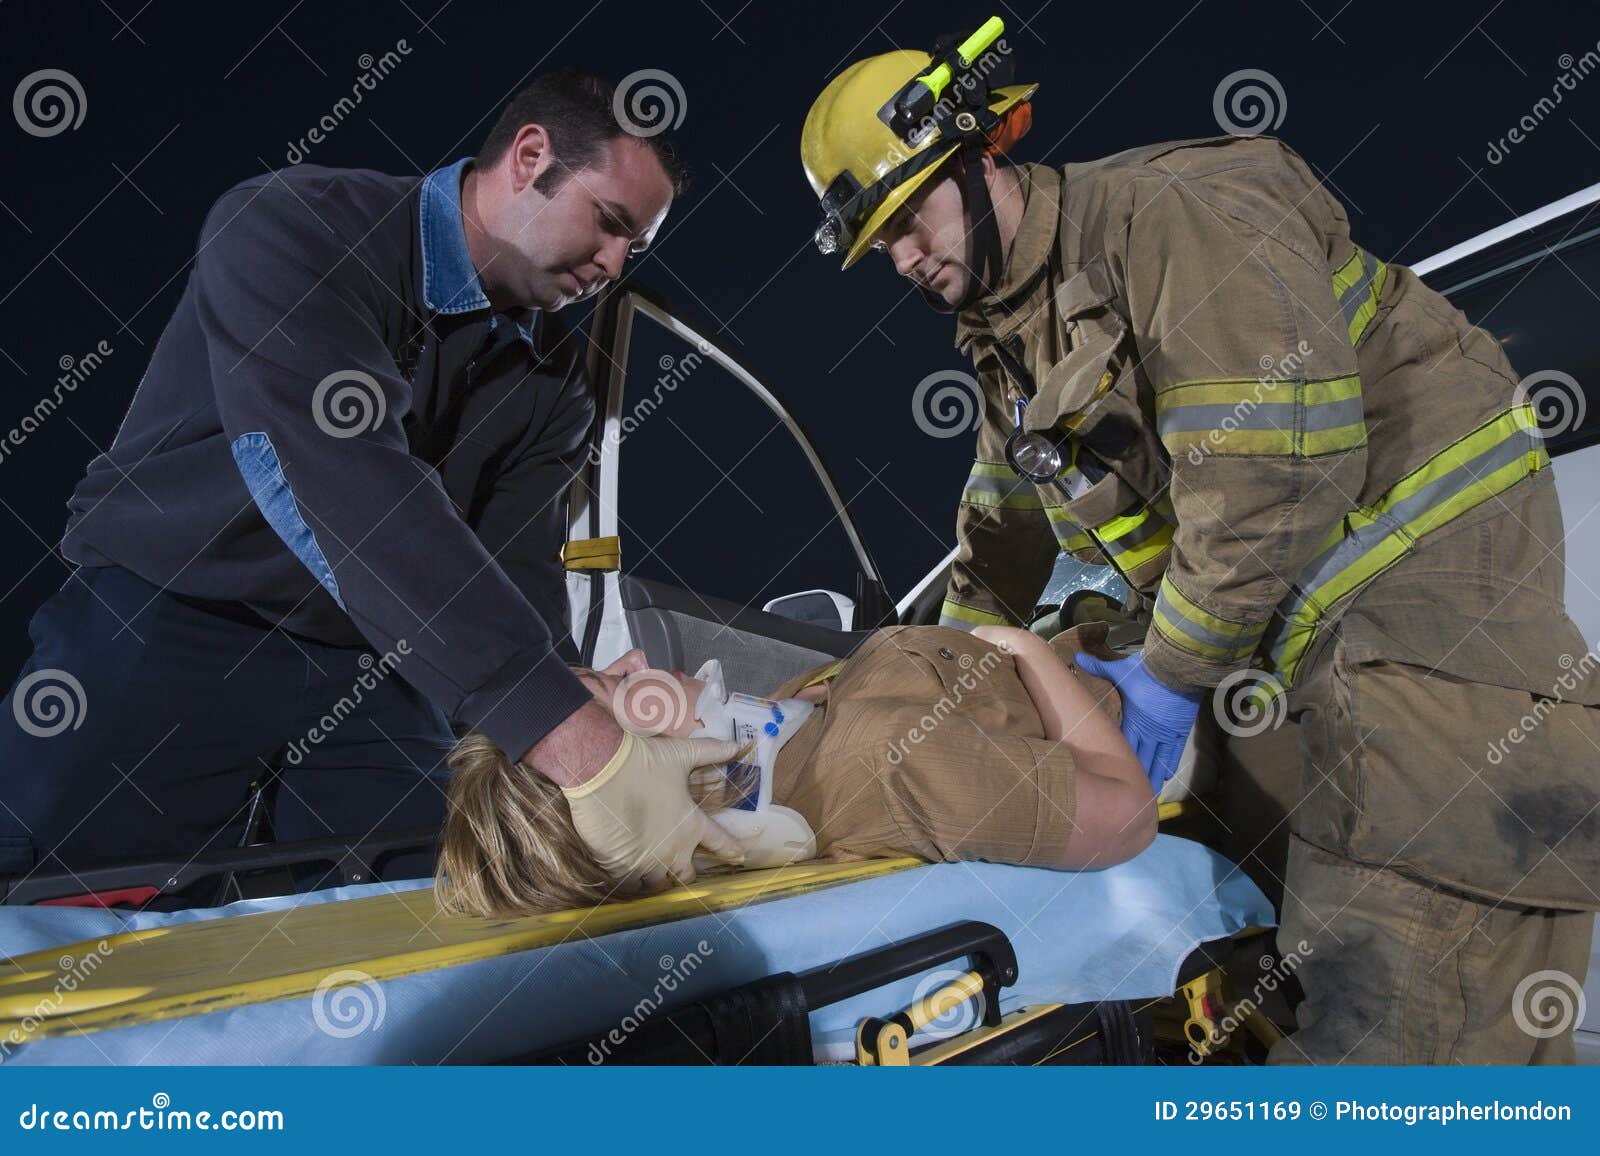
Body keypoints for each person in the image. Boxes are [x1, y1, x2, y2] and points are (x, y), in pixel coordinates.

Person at [797, 24, 1600, 1063]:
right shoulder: (1015, 345)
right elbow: (995, 553)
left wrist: (1168, 678)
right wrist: (927, 684)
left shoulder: (1168, 215)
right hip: (1313, 663)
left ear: (978, 150)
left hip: (1429, 643)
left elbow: (1274, 477)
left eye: (910, 214)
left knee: (1388, 1033)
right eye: (879, 245)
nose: (903, 257)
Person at [0, 69, 745, 895]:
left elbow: (517, 567)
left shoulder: (559, 381)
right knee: (57, 908)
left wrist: (569, 689)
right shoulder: (296, 228)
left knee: (431, 899)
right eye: (608, 224)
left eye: (633, 249)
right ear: (531, 157)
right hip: (172, 612)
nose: (612, 264)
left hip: (377, 662)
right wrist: (574, 740)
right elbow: (344, 487)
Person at [435, 624, 1155, 917]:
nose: (632, 662)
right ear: (646, 773)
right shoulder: (891, 760)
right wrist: (1021, 646)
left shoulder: (781, 728)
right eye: (613, 686)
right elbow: (1127, 815)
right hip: (1160, 702)